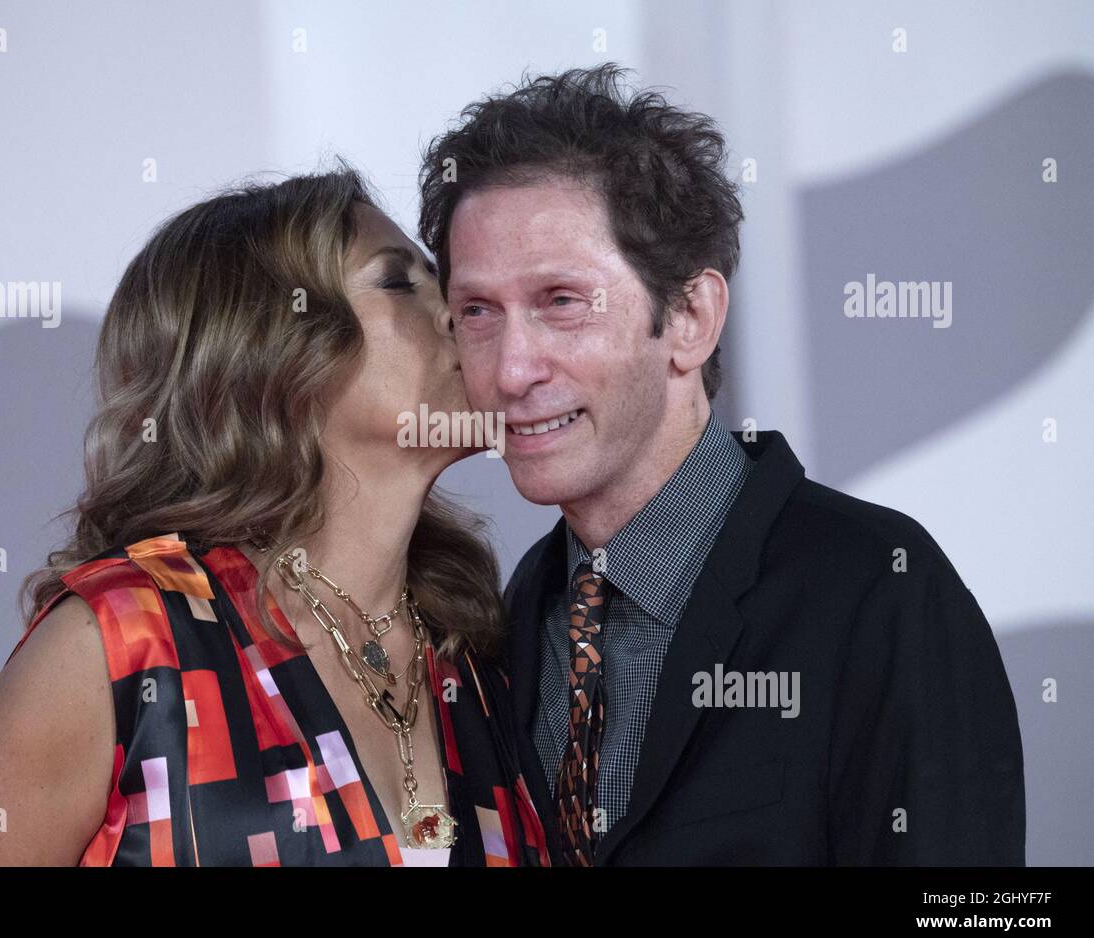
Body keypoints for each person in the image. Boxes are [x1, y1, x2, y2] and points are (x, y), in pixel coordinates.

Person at [417, 63, 1026, 866]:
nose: (510, 371)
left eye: (562, 301)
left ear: (692, 318)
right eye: (478, 313)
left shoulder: (880, 590)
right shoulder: (517, 612)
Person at [0, 167, 551, 867]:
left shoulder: (477, 647)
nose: (463, 310)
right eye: (401, 281)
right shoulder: (121, 648)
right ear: (272, 350)